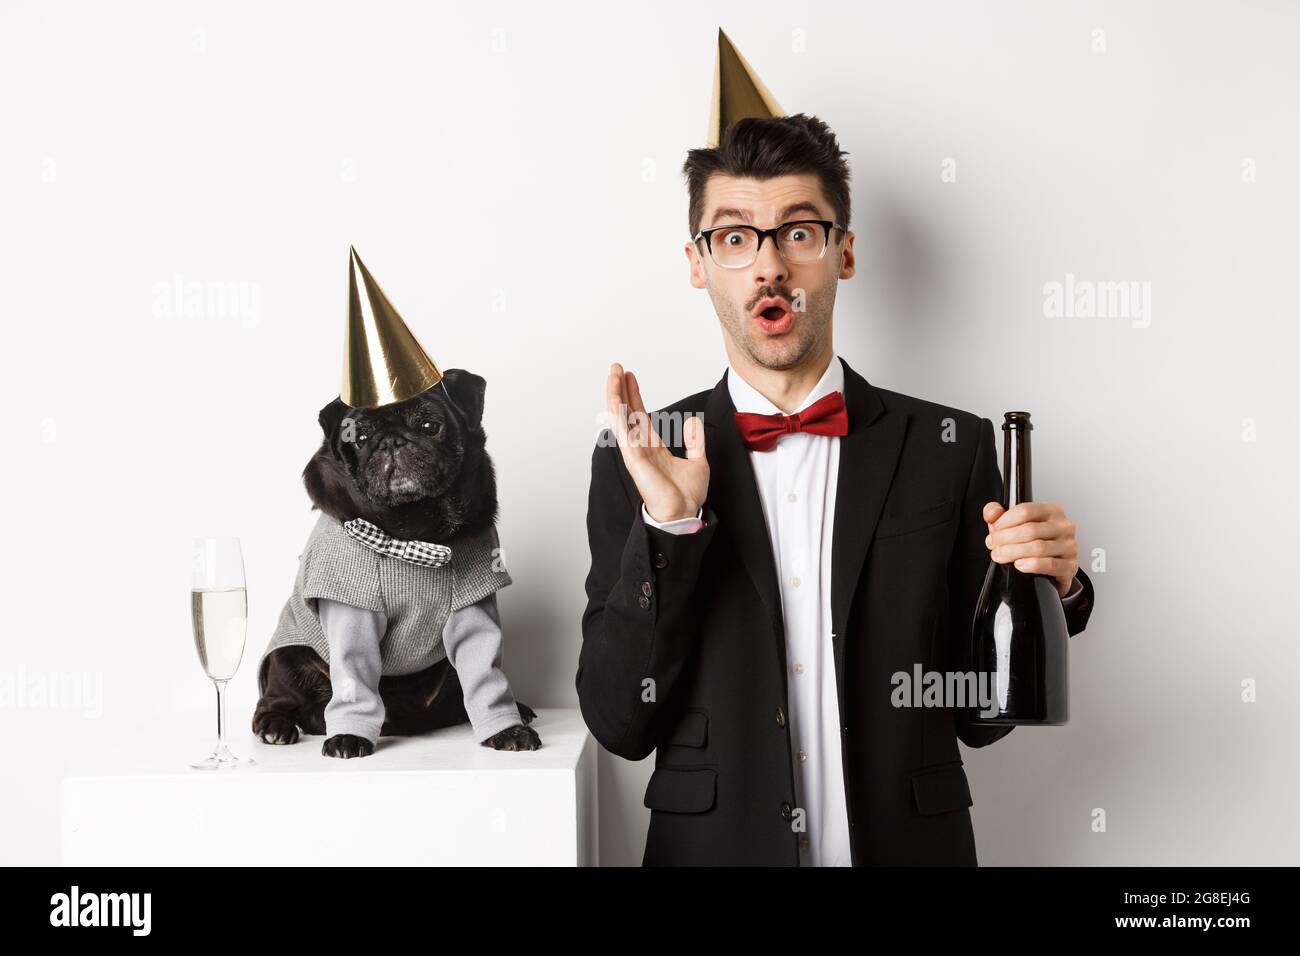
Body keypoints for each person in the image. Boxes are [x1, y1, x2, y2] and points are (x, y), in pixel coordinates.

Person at [575, 30, 1094, 866]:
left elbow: (981, 717)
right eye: (735, 237)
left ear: (843, 251)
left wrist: (1055, 592)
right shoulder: (636, 456)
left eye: (799, 233)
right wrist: (670, 528)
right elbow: (618, 722)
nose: (768, 266)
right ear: (698, 264)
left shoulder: (950, 448)